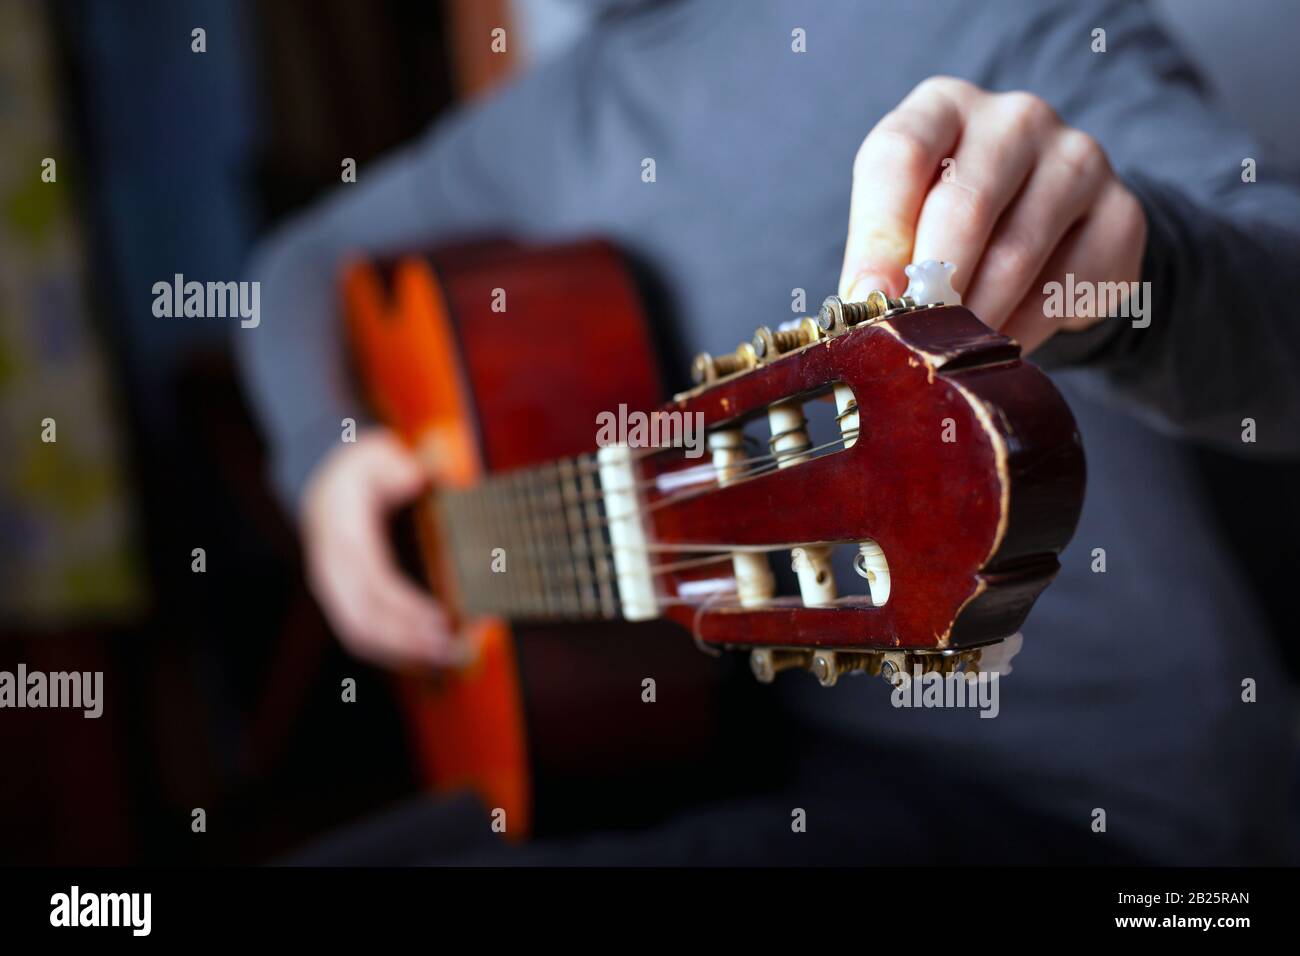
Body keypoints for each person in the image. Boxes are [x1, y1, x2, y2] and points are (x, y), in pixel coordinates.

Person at [236, 0, 1300, 864]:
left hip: (1099, 808)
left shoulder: (991, 17)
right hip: (708, 756)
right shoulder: (546, 121)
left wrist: (1140, 273)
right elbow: (289, 274)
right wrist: (324, 454)